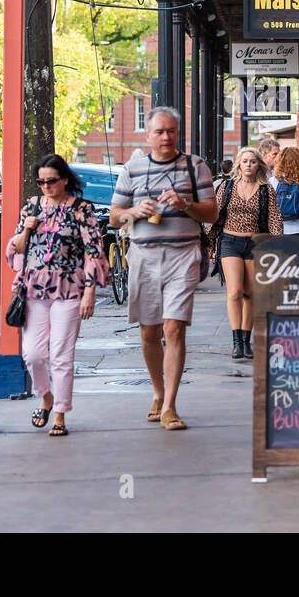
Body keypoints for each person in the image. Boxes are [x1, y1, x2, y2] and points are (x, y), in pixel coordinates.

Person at [108, 106, 216, 432]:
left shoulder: (195, 166)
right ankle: (157, 392)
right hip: (144, 256)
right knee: (149, 332)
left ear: (177, 133)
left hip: (183, 255)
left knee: (173, 328)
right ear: (148, 135)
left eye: (171, 131)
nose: (166, 137)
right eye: (159, 132)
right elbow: (115, 217)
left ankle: (169, 406)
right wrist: (136, 212)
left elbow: (211, 214)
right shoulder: (133, 168)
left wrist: (186, 205)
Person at [7, 154, 109, 437]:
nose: (45, 186)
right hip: (35, 289)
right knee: (33, 355)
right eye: (41, 181)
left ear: (64, 179)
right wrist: (27, 229)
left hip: (70, 289)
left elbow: (94, 252)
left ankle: (60, 414)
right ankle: (46, 396)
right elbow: (15, 247)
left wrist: (90, 292)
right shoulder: (32, 206)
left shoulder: (81, 209)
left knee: (61, 355)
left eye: (51, 181)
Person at [209, 146, 283, 359]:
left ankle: (245, 340)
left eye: (252, 161)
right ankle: (236, 342)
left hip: (255, 244)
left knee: (250, 294)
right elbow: (215, 214)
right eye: (245, 161)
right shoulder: (227, 186)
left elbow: (274, 218)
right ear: (238, 164)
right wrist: (211, 243)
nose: (248, 164)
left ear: (258, 164)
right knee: (234, 292)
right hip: (230, 242)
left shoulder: (266, 188)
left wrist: (277, 246)